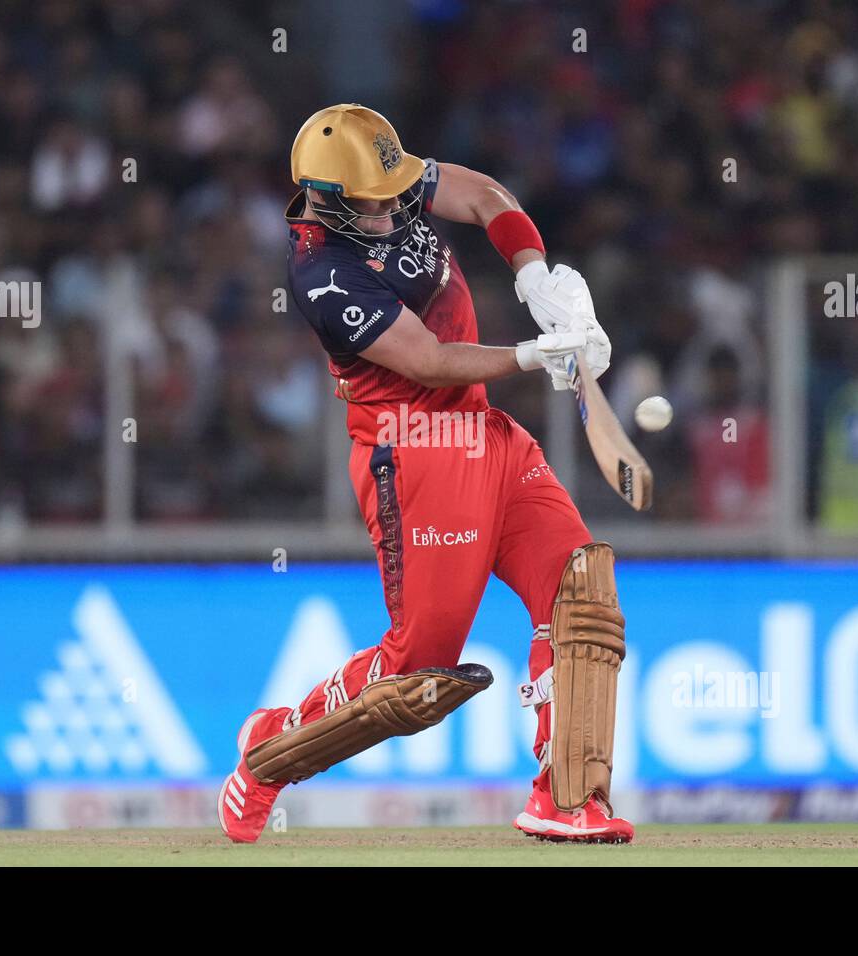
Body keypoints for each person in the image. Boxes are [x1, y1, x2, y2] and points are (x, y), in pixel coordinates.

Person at [218, 104, 632, 844]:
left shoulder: (387, 181)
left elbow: (485, 198)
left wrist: (533, 277)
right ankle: (270, 752)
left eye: (393, 191)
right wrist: (538, 355)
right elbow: (428, 362)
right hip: (414, 452)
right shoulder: (320, 270)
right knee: (416, 674)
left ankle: (567, 798)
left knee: (580, 592)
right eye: (369, 202)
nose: (388, 209)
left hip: (491, 436)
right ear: (327, 197)